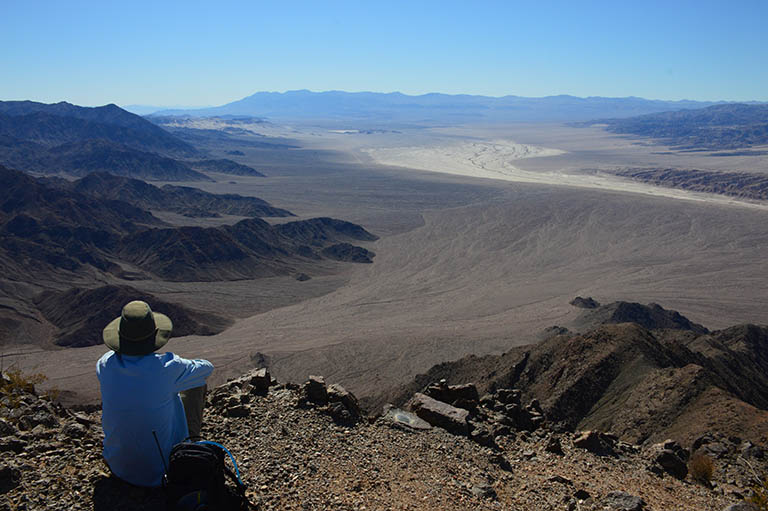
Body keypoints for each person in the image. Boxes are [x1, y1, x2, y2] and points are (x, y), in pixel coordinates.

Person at [96, 300, 214, 487]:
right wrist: (177, 366)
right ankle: (191, 442)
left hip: (118, 466)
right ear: (154, 336)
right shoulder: (167, 367)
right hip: (165, 470)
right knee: (194, 384)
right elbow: (207, 368)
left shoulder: (104, 364)